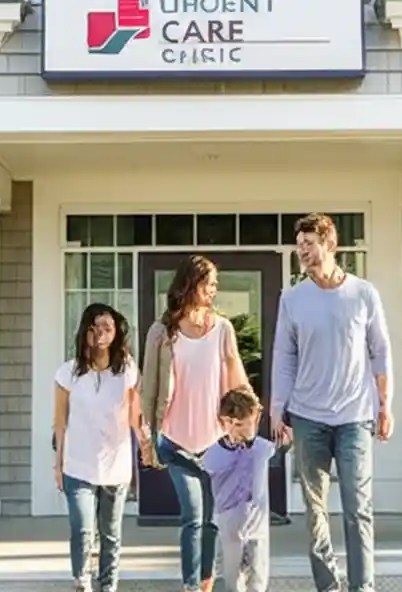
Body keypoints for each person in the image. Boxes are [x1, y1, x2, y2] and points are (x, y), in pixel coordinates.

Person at [270, 213, 394, 592]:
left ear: (330, 244)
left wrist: (385, 405)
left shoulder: (363, 293)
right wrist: (278, 407)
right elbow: (284, 356)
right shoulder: (292, 298)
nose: (302, 251)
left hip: (356, 416)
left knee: (359, 510)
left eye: (309, 243)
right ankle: (328, 585)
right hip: (308, 417)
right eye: (299, 244)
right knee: (315, 510)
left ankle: (363, 586)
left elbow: (381, 352)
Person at [140, 254, 252, 592]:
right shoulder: (162, 331)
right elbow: (148, 388)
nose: (214, 290)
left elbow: (235, 373)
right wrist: (147, 438)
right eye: (210, 283)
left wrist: (249, 411)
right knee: (192, 515)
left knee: (211, 520)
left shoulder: (223, 328)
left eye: (216, 284)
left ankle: (205, 582)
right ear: (191, 284)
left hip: (215, 442)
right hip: (175, 442)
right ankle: (190, 585)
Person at [53, 302, 145, 592]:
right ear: (86, 332)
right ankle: (81, 581)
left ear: (117, 333)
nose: (102, 334)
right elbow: (60, 423)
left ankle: (108, 585)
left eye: (108, 328)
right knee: (82, 530)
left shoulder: (127, 370)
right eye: (96, 328)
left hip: (115, 466)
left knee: (111, 534)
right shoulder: (68, 373)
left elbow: (135, 416)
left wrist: (146, 443)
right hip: (77, 464)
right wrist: (58, 466)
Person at [202, 387, 276, 592]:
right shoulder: (212, 455)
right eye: (235, 424)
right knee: (231, 581)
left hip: (257, 530)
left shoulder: (263, 448)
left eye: (246, 424)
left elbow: (282, 441)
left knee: (258, 582)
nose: (240, 431)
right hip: (229, 528)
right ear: (224, 422)